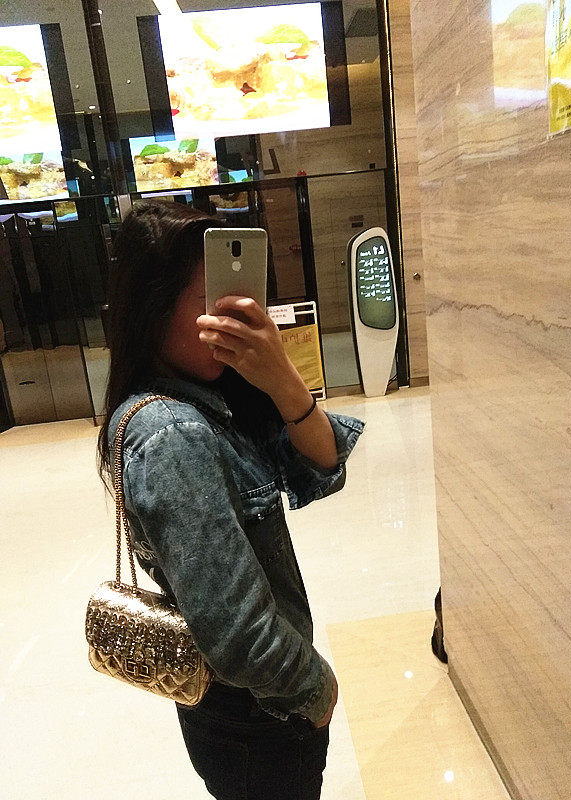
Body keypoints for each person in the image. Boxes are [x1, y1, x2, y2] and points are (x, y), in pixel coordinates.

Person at [96, 200, 364, 800]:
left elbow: (323, 467)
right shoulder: (172, 432)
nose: (231, 314)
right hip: (257, 714)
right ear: (152, 308)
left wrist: (280, 377)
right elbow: (239, 635)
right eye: (208, 299)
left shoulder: (215, 399)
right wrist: (316, 690)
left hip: (242, 710)